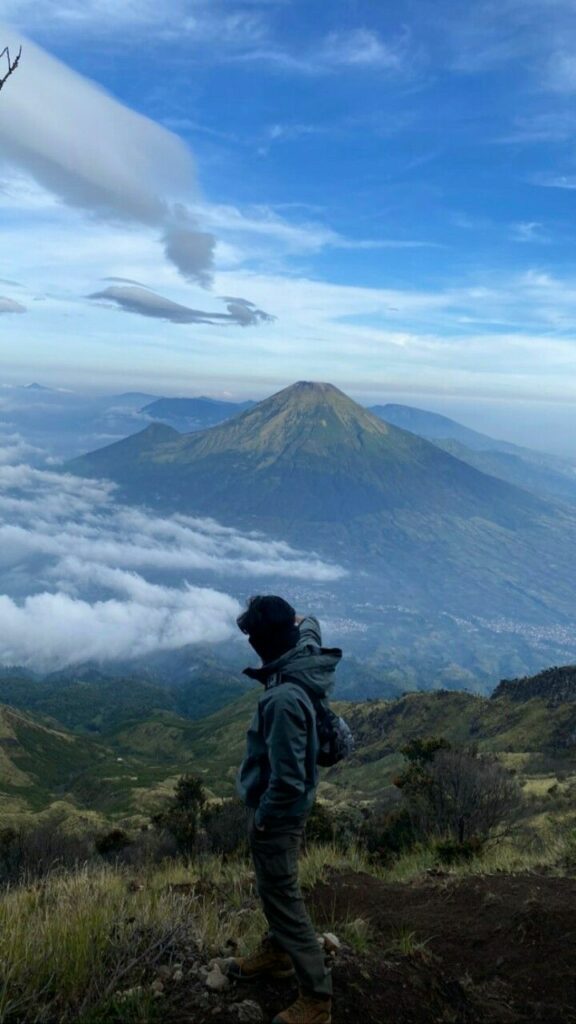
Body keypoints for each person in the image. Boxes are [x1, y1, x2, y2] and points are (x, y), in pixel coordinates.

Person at [229, 595, 341, 1024]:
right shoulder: (304, 653)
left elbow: (289, 779)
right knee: (275, 891)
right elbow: (308, 623)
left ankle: (316, 999)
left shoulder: (282, 701)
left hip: (280, 816)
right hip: (288, 812)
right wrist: (295, 619)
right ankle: (277, 954)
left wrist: (263, 819)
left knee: (284, 898)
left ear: (262, 642)